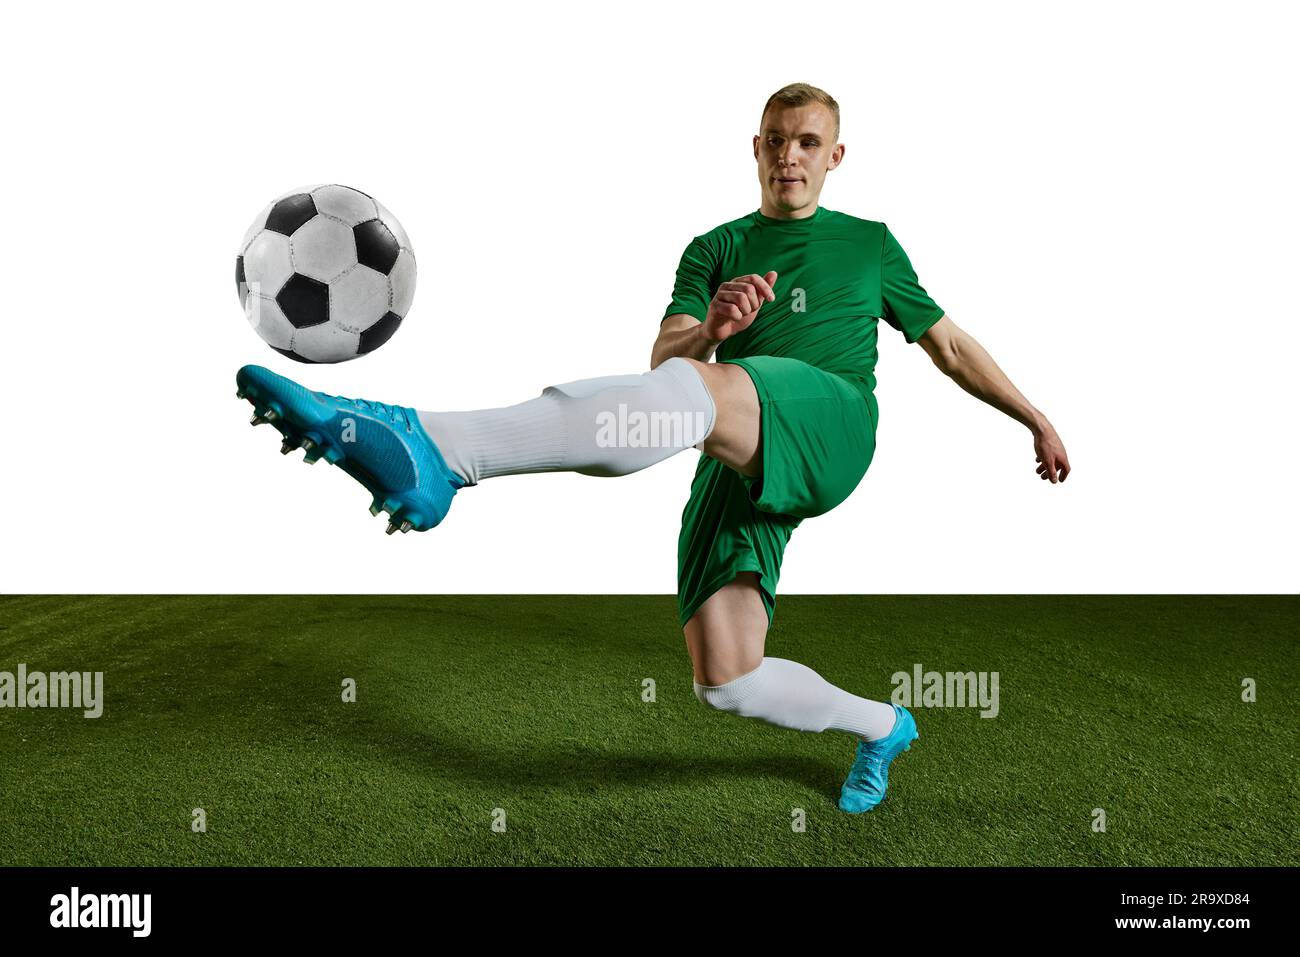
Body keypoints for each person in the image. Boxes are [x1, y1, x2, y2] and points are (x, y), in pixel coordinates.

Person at [234, 82, 1071, 813]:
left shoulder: (870, 243)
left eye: (808, 143)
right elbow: (664, 370)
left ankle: (443, 449)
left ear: (836, 155)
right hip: (730, 442)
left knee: (701, 398)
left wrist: (1033, 416)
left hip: (830, 420)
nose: (790, 156)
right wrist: (714, 327)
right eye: (776, 141)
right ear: (755, 148)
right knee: (729, 681)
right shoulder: (714, 249)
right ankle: (885, 727)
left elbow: (950, 345)